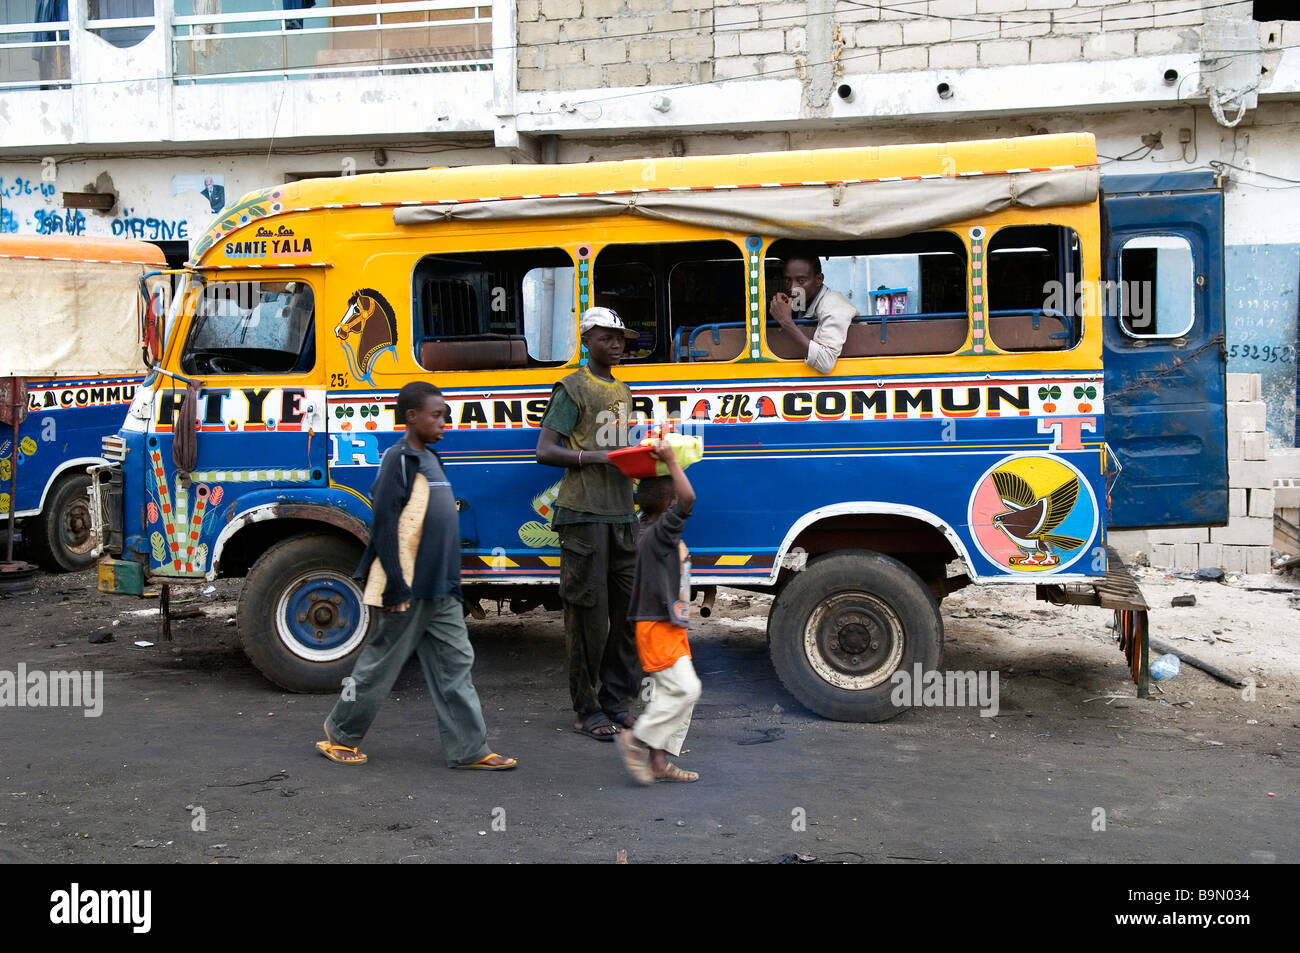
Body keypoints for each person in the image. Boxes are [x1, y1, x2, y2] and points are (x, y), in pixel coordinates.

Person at [317, 380, 515, 770]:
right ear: (412, 417)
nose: (445, 421)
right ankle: (340, 734)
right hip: (408, 589)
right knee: (379, 666)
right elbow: (385, 525)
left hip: (441, 589)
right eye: (436, 415)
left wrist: (455, 584)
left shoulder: (431, 459)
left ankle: (469, 749)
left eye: (445, 414)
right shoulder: (399, 459)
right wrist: (395, 583)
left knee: (455, 666)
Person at [535, 306, 642, 742]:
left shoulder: (623, 388)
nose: (616, 344)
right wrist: (593, 457)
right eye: (606, 337)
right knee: (587, 618)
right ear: (586, 341)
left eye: (621, 338)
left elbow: (623, 446)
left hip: (622, 514)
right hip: (583, 516)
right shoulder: (571, 388)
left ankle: (617, 700)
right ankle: (587, 709)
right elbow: (545, 449)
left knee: (627, 615)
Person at [619, 439, 701, 784]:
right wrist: (671, 460)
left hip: (666, 623)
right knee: (687, 690)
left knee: (674, 695)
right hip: (657, 625)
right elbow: (689, 499)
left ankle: (659, 761)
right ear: (667, 506)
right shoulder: (661, 533)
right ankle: (636, 739)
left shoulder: (645, 530)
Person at [768, 251, 857, 374]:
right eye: (788, 280)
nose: (792, 288)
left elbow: (826, 362)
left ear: (819, 279)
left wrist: (786, 322)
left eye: (801, 281)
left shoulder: (834, 305)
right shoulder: (803, 301)